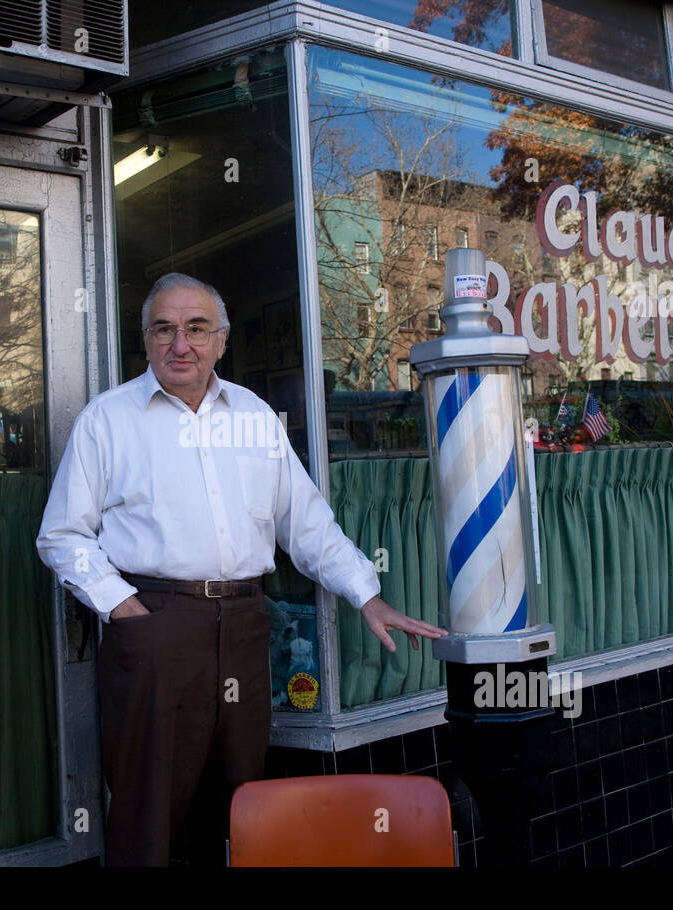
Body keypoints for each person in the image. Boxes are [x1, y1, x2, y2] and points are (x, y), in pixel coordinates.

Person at [36, 272, 446, 866]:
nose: (181, 344)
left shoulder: (254, 416)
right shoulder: (108, 421)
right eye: (164, 329)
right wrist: (127, 610)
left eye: (197, 329)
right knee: (147, 809)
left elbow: (305, 524)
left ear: (221, 340)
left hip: (246, 624)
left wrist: (367, 594)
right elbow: (62, 535)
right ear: (146, 341)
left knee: (239, 802)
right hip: (157, 628)